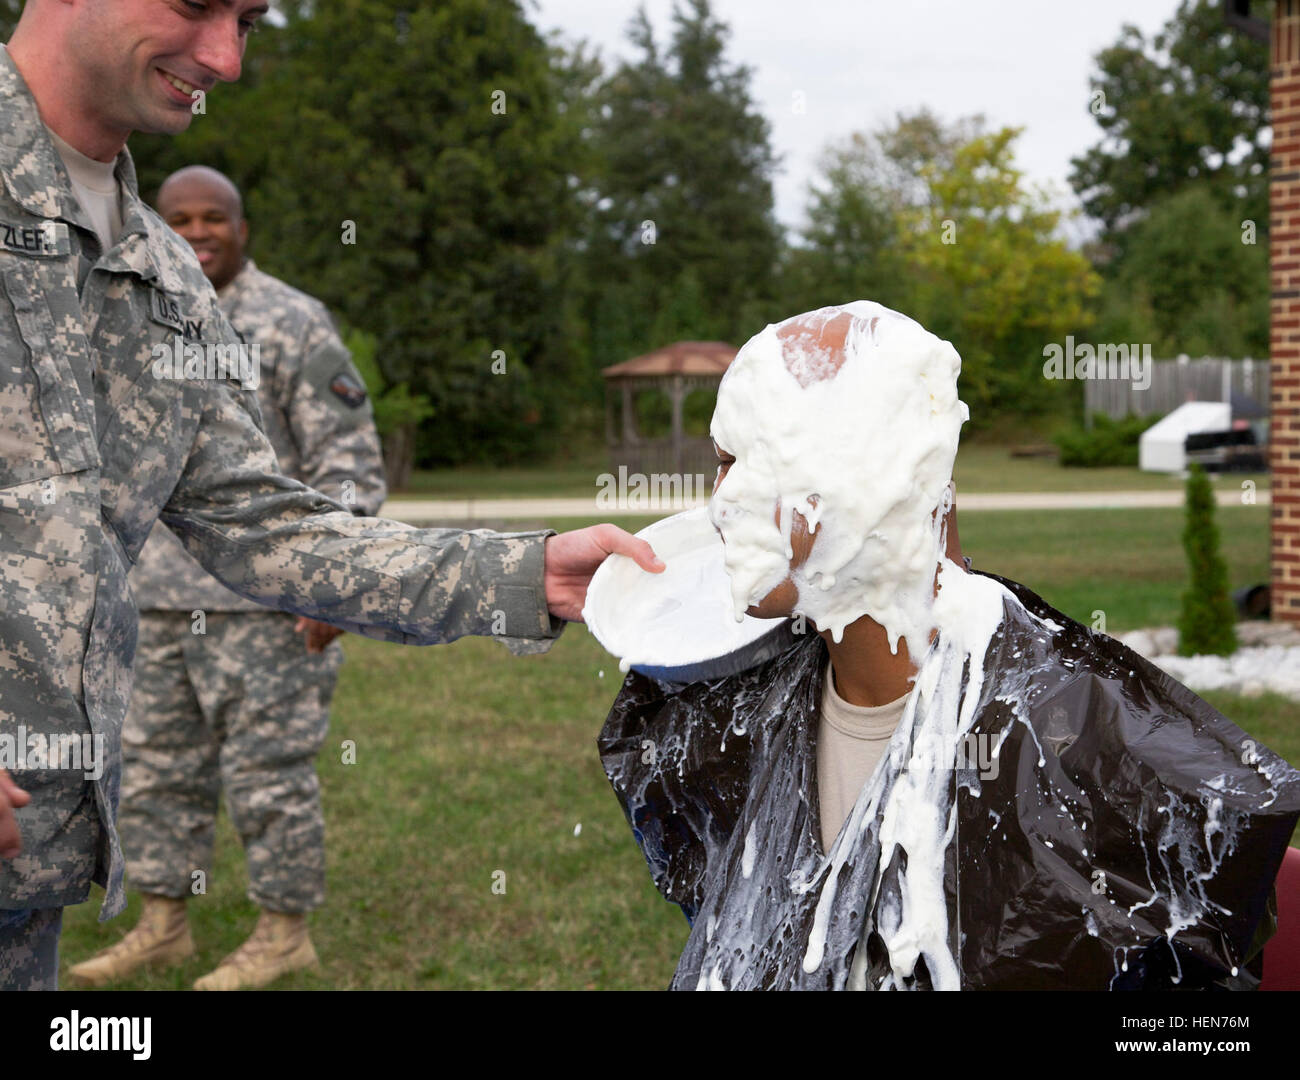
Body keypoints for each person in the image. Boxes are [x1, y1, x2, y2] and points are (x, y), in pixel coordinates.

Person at [0, 0, 661, 992]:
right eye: (194, 5)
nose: (224, 56)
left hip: (29, 868)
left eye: (251, 20)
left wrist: (523, 572)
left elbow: (261, 520)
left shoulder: (166, 279)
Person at [598, 302, 1300, 990]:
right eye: (719, 465)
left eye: (743, 465)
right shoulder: (730, 707)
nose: (719, 503)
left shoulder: (1077, 744)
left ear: (864, 480)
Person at [67, 166, 388, 990]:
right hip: (150, 603)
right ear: (156, 224)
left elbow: (349, 465)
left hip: (264, 605)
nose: (199, 231)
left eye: (217, 218)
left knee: (268, 776)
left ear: (243, 228)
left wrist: (334, 585)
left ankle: (284, 933)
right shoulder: (132, 308)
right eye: (182, 218)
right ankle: (163, 923)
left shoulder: (291, 323)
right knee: (154, 772)